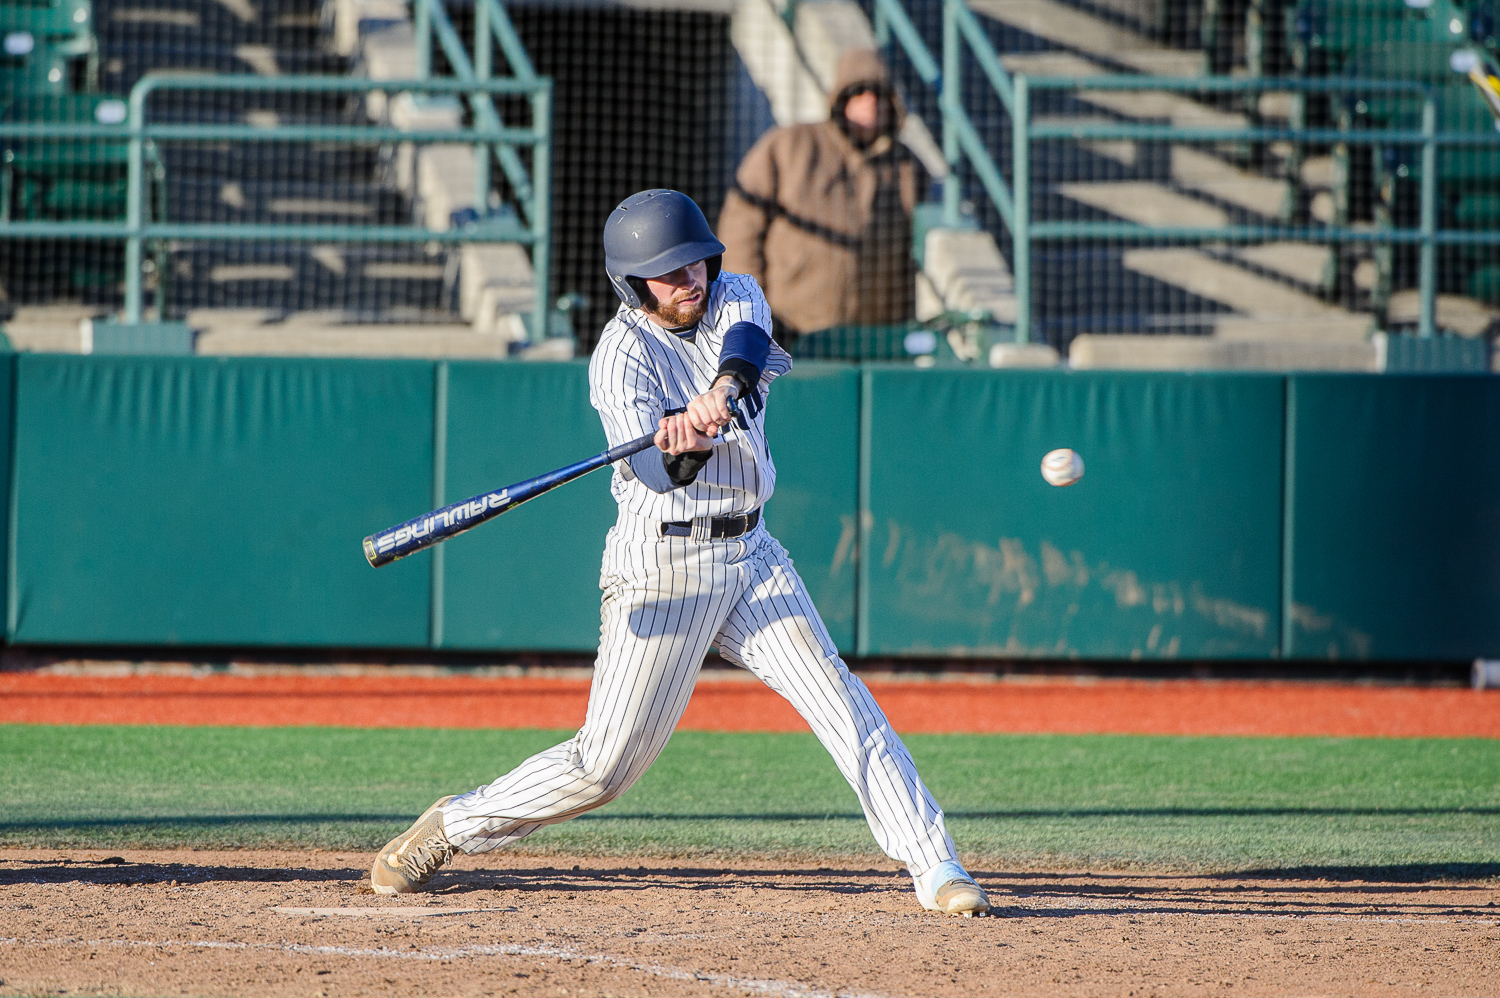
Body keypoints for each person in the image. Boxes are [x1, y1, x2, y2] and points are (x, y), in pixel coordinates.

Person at [370, 189, 989, 918]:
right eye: (667, 273)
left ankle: (935, 863)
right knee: (603, 768)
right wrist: (682, 443)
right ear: (634, 285)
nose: (688, 279)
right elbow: (659, 476)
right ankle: (456, 823)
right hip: (663, 566)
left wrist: (720, 394)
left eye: (694, 262)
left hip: (754, 553)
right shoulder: (619, 357)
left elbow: (746, 352)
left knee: (844, 705)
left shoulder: (737, 294)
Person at [717, 48, 926, 346]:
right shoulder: (790, 146)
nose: (870, 104)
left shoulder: (905, 167)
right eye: (859, 93)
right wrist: (751, 310)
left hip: (871, 336)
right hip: (788, 327)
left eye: (879, 95)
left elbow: (917, 246)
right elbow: (741, 227)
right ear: (841, 100)